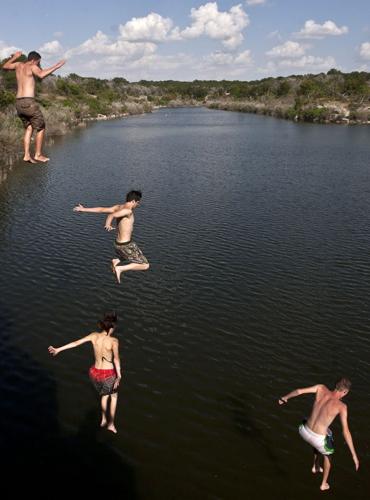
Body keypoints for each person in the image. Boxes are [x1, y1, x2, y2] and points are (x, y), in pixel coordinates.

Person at [279, 378, 359, 491]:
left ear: (336, 386)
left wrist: (285, 398)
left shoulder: (320, 388)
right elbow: (345, 431)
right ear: (345, 392)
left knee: (326, 432)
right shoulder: (342, 406)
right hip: (317, 439)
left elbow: (299, 391)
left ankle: (316, 465)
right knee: (328, 454)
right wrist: (354, 455)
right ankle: (323, 483)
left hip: (303, 430)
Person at [48, 312, 122, 434]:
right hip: (108, 373)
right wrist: (119, 375)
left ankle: (103, 419)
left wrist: (58, 349)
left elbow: (76, 343)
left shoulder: (93, 335)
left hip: (95, 373)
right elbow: (116, 359)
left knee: (104, 395)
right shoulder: (114, 341)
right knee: (113, 397)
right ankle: (111, 424)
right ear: (111, 328)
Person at [2, 50, 66, 163]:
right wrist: (57, 66)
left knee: (29, 127)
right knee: (41, 127)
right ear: (33, 60)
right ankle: (38, 154)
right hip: (28, 102)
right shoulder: (32, 66)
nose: (38, 65)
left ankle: (26, 155)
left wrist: (15, 57)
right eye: (38, 62)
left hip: (18, 103)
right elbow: (41, 75)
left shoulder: (18, 65)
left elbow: (5, 66)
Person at [73, 190, 149, 283]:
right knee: (145, 265)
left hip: (118, 244)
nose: (137, 205)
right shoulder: (128, 211)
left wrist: (84, 209)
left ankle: (116, 260)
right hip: (125, 245)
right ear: (133, 201)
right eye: (137, 203)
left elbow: (101, 209)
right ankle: (120, 269)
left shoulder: (118, 207)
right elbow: (111, 215)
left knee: (136, 253)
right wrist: (107, 224)